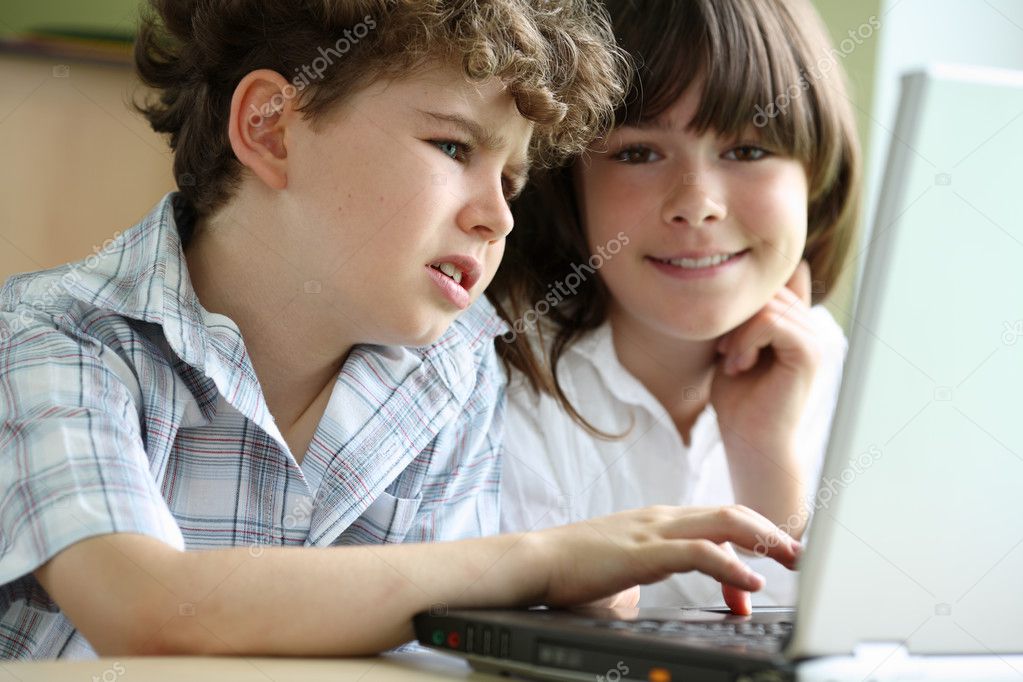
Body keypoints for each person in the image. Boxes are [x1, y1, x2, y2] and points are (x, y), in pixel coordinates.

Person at [0, 0, 801, 660]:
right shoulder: (57, 338)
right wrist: (538, 561)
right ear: (273, 126)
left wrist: (549, 617)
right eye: (453, 146)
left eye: (512, 180)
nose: (495, 218)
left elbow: (417, 655)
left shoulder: (452, 371)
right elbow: (144, 610)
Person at [491, 0, 861, 612]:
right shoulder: (496, 368)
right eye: (638, 153)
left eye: (746, 151)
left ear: (816, 174)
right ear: (568, 184)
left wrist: (765, 457)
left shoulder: (852, 380)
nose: (697, 204)